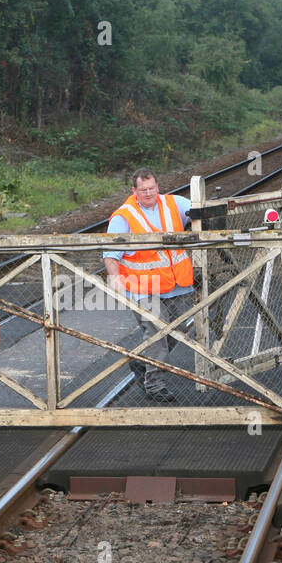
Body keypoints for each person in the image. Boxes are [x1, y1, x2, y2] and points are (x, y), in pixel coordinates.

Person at [102, 169, 193, 402]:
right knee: (157, 337)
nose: (149, 193)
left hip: (177, 285)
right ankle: (154, 385)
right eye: (143, 190)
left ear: (158, 186)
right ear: (134, 191)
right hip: (143, 289)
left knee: (179, 332)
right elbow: (110, 255)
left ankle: (143, 364)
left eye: (152, 188)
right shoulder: (123, 217)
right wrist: (116, 283)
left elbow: (200, 211)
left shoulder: (175, 203)